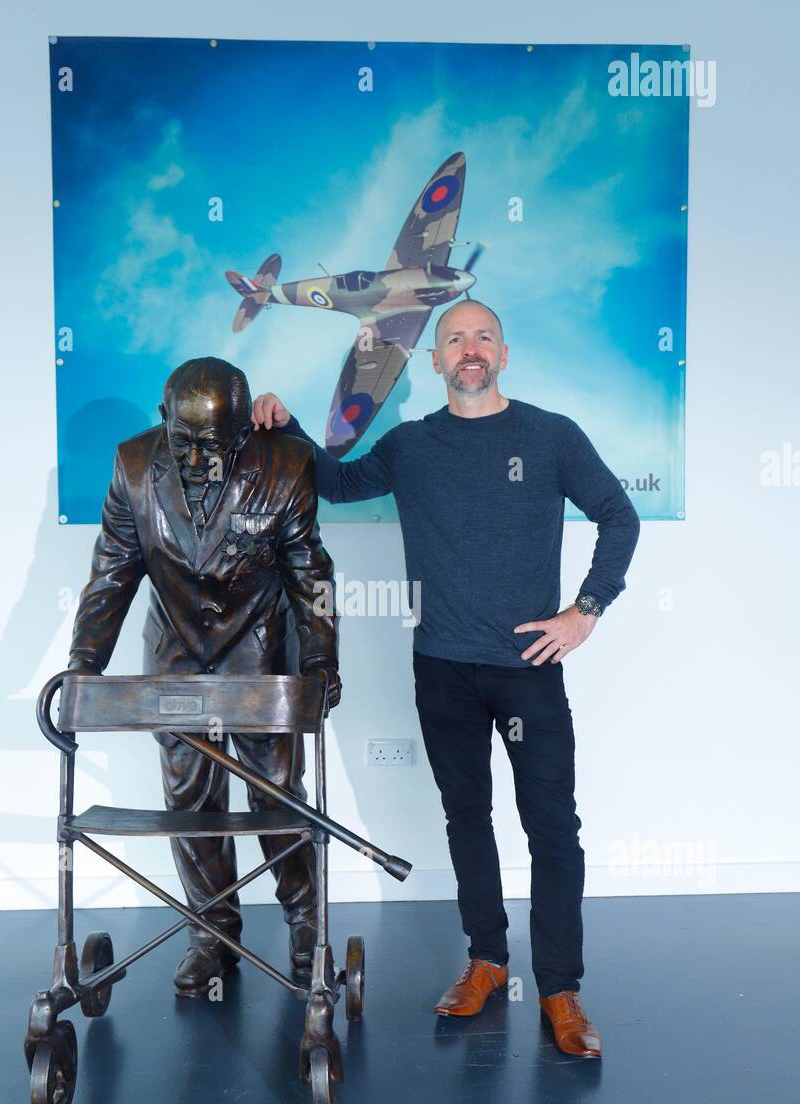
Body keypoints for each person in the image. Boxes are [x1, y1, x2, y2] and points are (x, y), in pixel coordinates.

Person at [250, 300, 641, 1055]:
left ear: (503, 353)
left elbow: (617, 516)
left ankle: (560, 988)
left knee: (553, 829)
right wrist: (287, 421)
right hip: (441, 669)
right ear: (434, 361)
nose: (470, 348)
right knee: (468, 818)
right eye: (454, 338)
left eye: (483, 336)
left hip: (528, 669)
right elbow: (331, 484)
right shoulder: (410, 446)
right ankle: (487, 962)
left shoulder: (551, 436)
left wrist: (584, 612)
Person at [68, 356, 341, 996]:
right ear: (164, 420)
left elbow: (312, 576)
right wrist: (83, 668)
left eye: (210, 444)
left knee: (277, 799)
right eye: (181, 440)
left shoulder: (289, 465)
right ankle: (210, 939)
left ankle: (307, 928)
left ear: (245, 431)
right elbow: (112, 574)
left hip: (259, 652)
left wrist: (322, 659)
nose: (194, 458)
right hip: (176, 655)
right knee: (191, 804)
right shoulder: (134, 465)